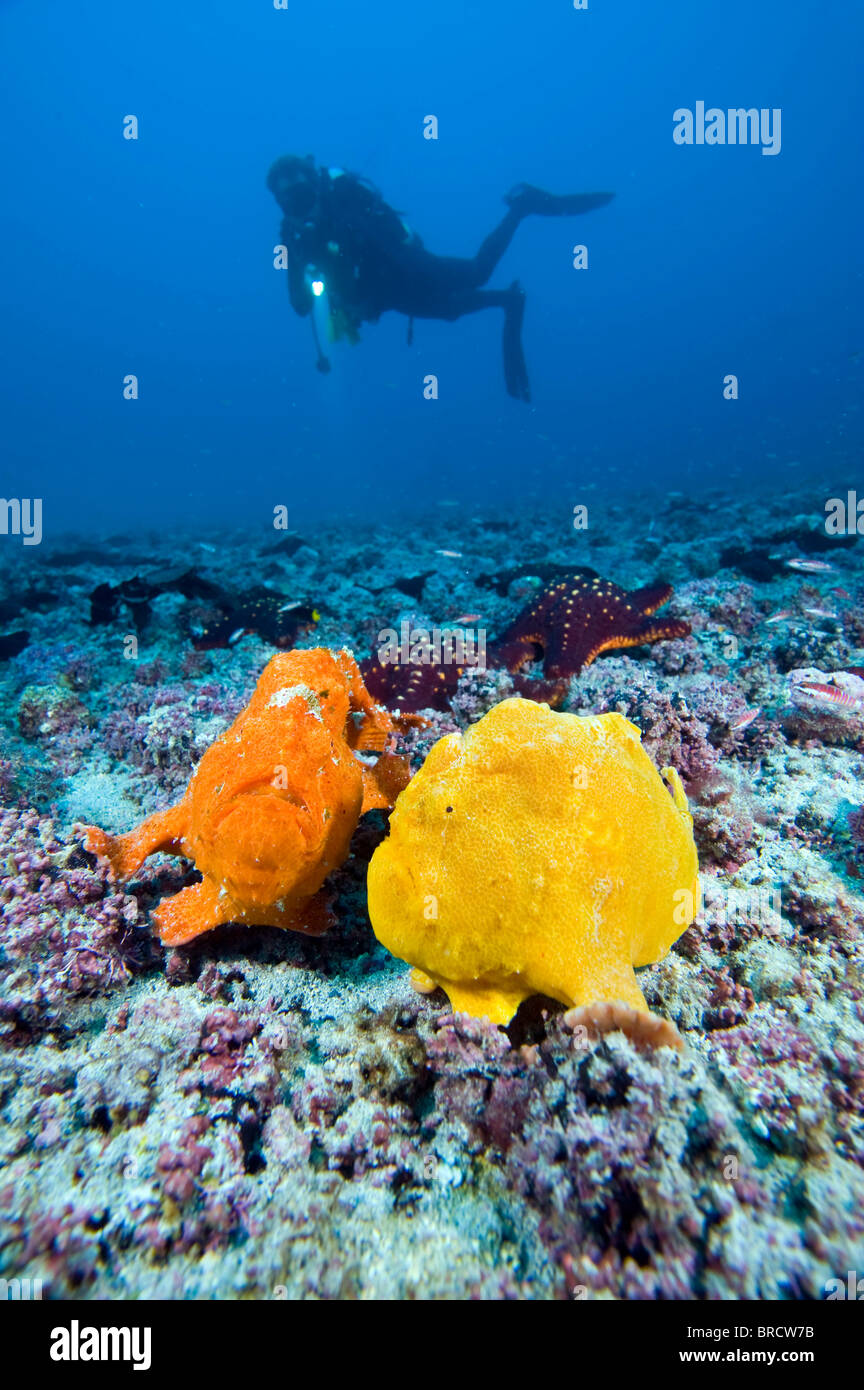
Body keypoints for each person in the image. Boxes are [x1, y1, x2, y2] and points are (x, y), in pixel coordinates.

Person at [267, 155, 613, 401]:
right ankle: (511, 299)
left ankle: (521, 205)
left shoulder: (341, 200)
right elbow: (299, 305)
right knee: (451, 312)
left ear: (314, 185)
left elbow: (377, 245)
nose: (297, 205)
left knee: (478, 272)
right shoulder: (293, 236)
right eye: (287, 201)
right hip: (382, 296)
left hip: (404, 265)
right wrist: (305, 263)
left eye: (301, 194)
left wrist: (339, 253)